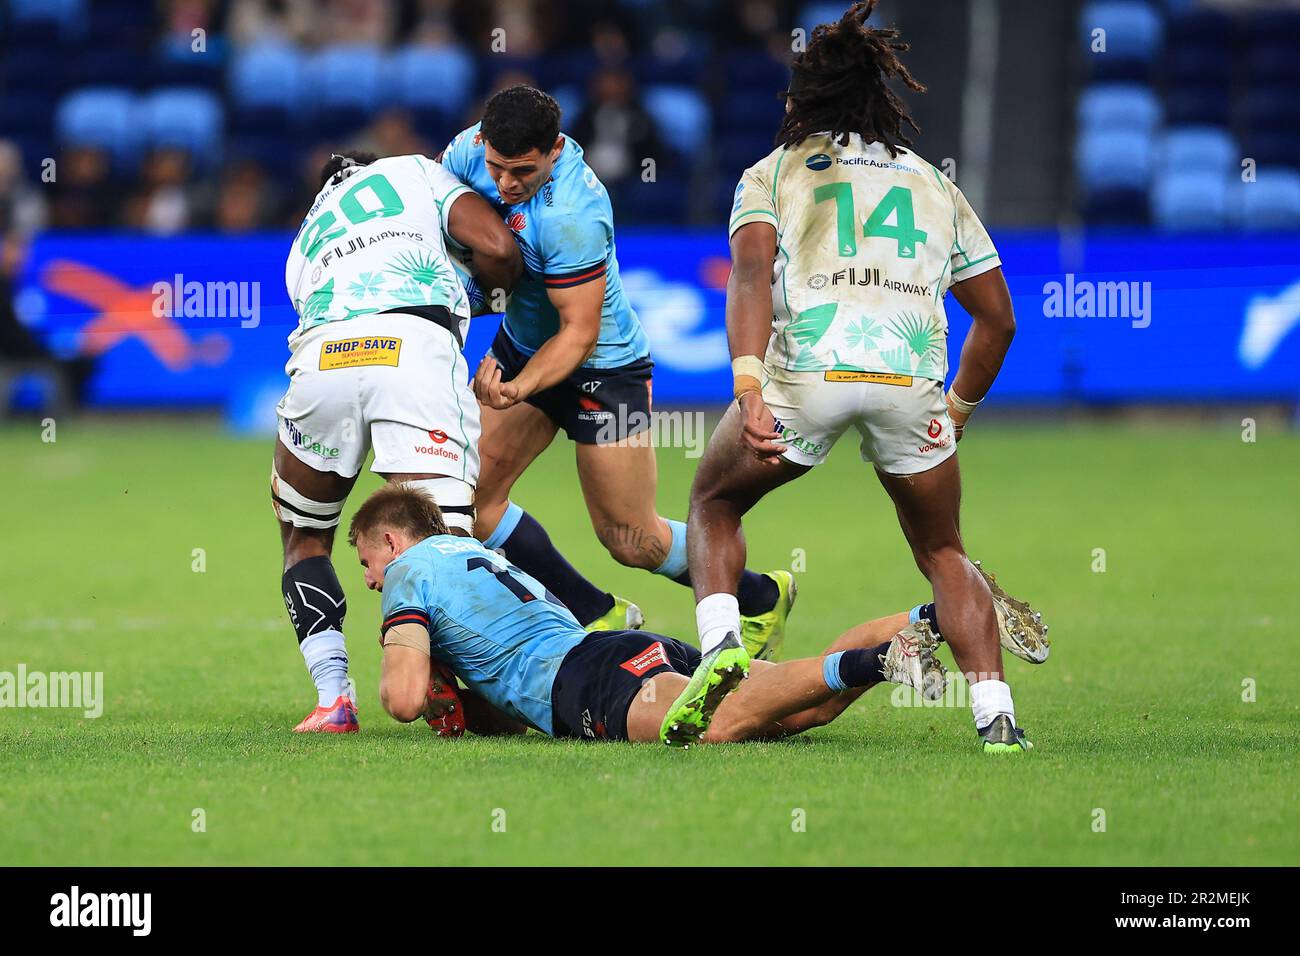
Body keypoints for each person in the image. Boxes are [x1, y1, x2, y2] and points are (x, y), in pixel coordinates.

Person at [685, 1, 1046, 754]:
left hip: (807, 376)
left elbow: (750, 275)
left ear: (805, 100)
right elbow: (1000, 319)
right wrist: (958, 410)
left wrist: (749, 387)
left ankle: (721, 647)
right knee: (944, 552)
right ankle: (996, 716)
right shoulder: (932, 182)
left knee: (715, 500)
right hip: (907, 380)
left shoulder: (773, 170)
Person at [438, 85, 796, 658]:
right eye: (497, 167)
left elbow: (578, 333)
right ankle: (595, 613)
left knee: (632, 539)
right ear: (482, 143)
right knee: (469, 503)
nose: (505, 183)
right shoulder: (464, 153)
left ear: (555, 150)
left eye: (522, 171)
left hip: (603, 371)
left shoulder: (575, 213)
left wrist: (518, 388)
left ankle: (759, 596)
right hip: (524, 346)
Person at [347, 482, 947, 745]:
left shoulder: (409, 574)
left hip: (589, 678)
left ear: (393, 544)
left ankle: (880, 660)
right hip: (617, 657)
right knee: (799, 712)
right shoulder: (472, 551)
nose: (372, 580)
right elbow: (511, 705)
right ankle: (936, 616)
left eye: (367, 562)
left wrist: (426, 685)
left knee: (716, 725)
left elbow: (401, 702)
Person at [274, 150, 521, 733]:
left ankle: (334, 699)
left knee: (305, 535)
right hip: (410, 347)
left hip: (325, 355)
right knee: (442, 538)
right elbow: (498, 249)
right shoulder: (414, 170)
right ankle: (460, 688)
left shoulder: (304, 241)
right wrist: (501, 290)